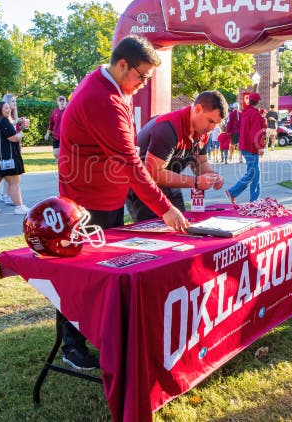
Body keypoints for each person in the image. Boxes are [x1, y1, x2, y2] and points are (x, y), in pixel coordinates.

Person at [58, 34, 187, 370]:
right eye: (141, 76)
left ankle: (102, 332)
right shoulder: (103, 99)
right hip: (87, 201)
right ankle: (71, 346)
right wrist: (166, 208)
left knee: (106, 271)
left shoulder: (115, 87)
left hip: (106, 196)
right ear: (122, 64)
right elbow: (133, 165)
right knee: (82, 274)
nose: (143, 85)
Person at [126, 91, 227, 221]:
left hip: (170, 184)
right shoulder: (167, 128)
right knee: (157, 237)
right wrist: (195, 182)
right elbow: (153, 174)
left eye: (216, 124)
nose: (212, 128)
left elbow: (201, 162)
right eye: (211, 121)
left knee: (182, 228)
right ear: (198, 109)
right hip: (144, 189)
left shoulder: (202, 131)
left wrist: (213, 176)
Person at [226, 92, 266, 203]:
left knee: (256, 173)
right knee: (252, 173)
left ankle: (255, 199)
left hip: (244, 145)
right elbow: (257, 132)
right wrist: (260, 147)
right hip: (251, 147)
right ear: (258, 102)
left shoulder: (245, 113)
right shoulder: (255, 114)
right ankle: (232, 192)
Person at [0, 93, 29, 204]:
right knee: (10, 173)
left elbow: (15, 130)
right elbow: (7, 128)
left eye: (15, 101)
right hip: (8, 148)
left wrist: (22, 127)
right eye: (12, 101)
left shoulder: (12, 116)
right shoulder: (5, 117)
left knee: (9, 173)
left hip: (15, 147)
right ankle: (7, 195)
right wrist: (17, 123)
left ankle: (5, 194)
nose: (14, 103)